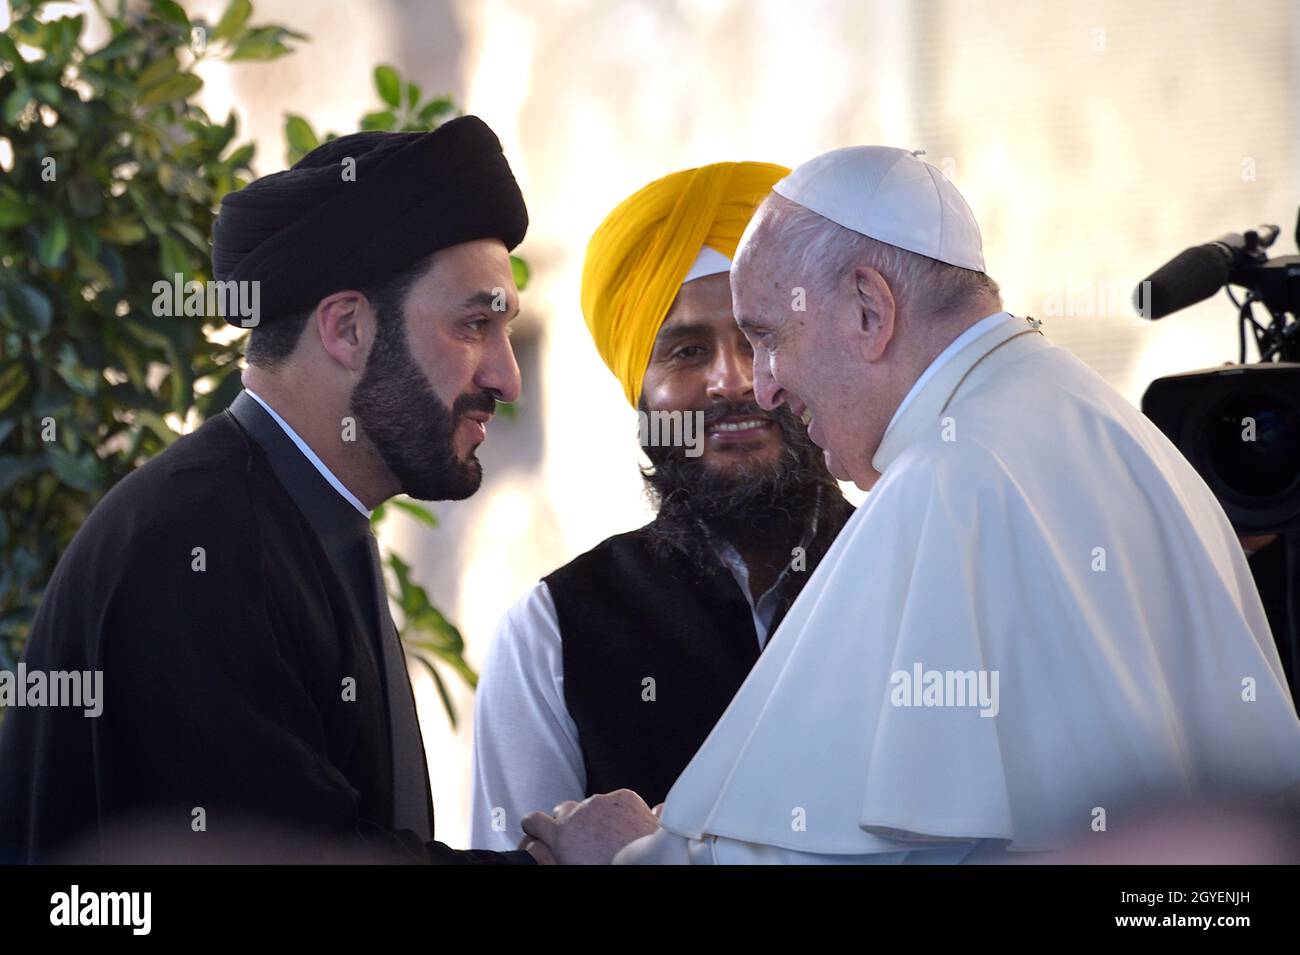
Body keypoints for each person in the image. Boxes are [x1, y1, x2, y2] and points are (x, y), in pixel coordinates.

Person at [522, 145, 1300, 864]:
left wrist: (628, 855)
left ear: (869, 307)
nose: (761, 387)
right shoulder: (1111, 424)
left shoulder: (944, 485)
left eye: (766, 337)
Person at [0, 117, 543, 863]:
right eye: (475, 324)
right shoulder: (201, 540)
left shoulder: (294, 514)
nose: (505, 378)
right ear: (347, 329)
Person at [469, 163, 853, 850]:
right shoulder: (552, 634)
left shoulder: (923, 568)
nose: (733, 382)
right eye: (686, 350)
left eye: (761, 339)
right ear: (639, 390)